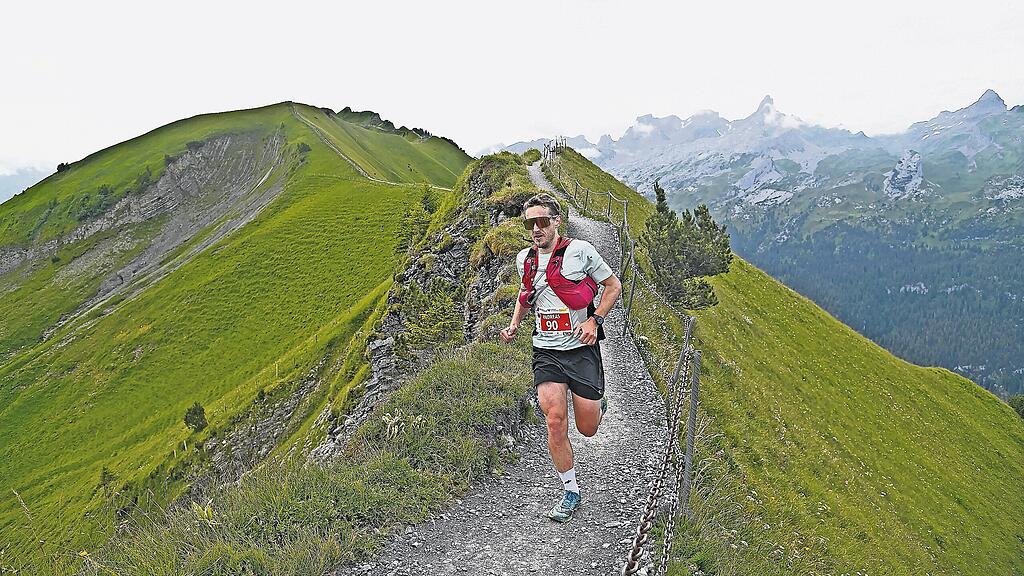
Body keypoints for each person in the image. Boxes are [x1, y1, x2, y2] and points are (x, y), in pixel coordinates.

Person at [499, 193, 622, 523]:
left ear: (556, 221)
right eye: (530, 223)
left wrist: (594, 321)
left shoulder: (581, 252)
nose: (536, 228)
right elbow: (526, 296)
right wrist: (513, 326)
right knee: (554, 420)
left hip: (581, 350)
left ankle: (597, 405)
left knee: (588, 428)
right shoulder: (524, 258)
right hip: (547, 351)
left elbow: (613, 286)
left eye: (541, 221)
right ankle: (570, 491)